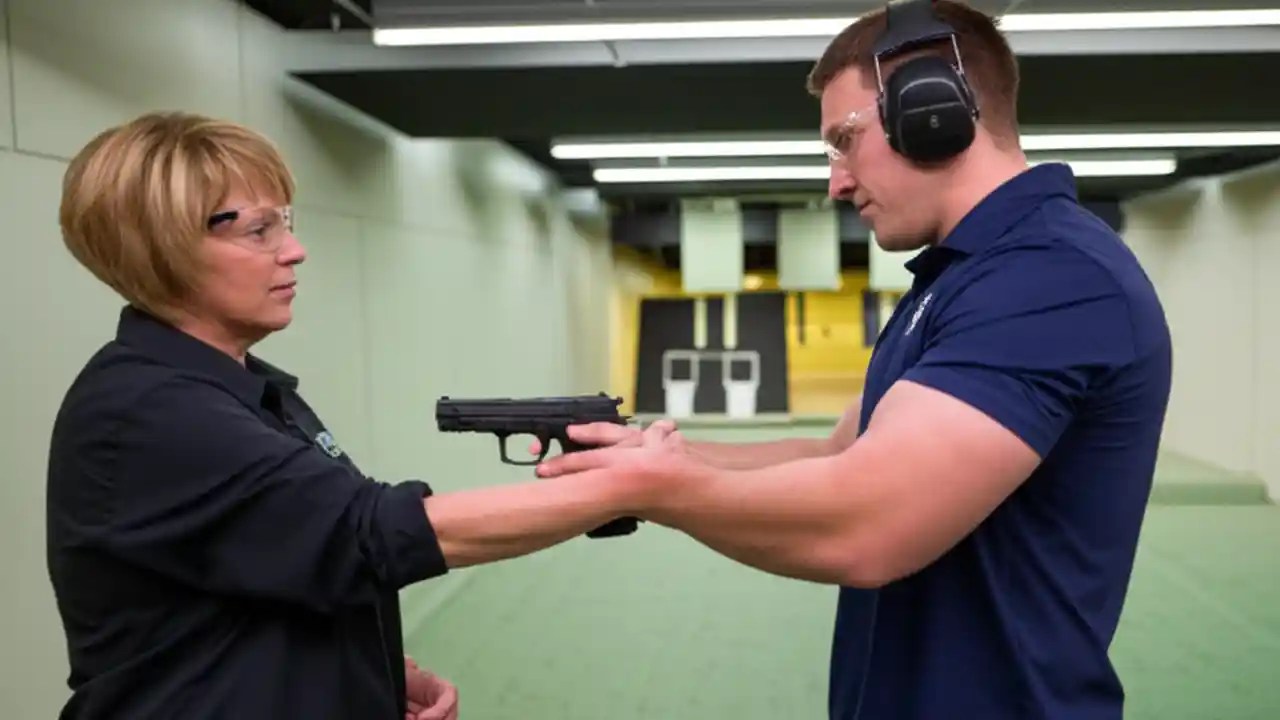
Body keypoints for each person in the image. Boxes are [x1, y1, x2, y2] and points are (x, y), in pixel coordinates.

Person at [534, 2, 1173, 719]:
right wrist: (651, 451)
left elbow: (864, 523)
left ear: (934, 111)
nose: (836, 181)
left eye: (845, 139)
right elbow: (837, 451)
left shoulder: (1055, 277)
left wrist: (653, 489)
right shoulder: (960, 277)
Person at [46, 112, 642, 720]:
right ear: (164, 250)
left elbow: (285, 563)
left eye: (285, 223)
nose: (295, 251)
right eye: (259, 230)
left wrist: (379, 675)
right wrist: (631, 484)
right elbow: (376, 533)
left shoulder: (242, 390)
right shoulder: (155, 412)